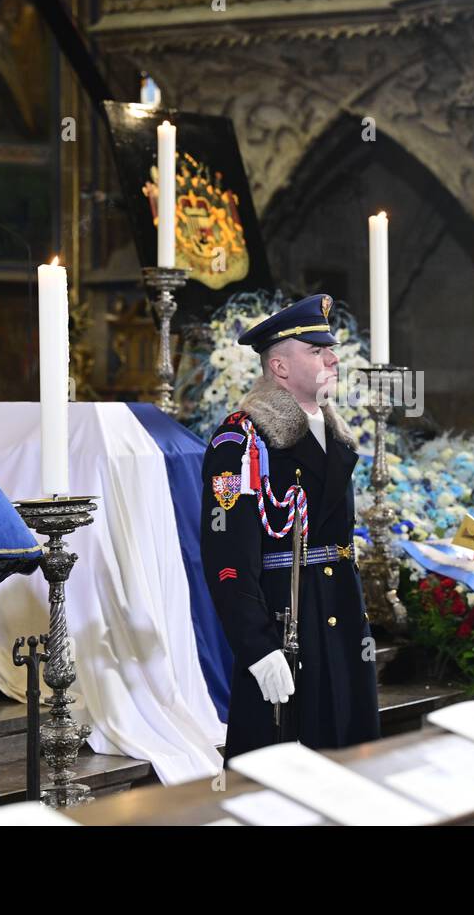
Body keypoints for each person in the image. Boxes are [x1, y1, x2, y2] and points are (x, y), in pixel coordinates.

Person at [199, 294, 380, 759]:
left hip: (340, 612)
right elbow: (227, 560)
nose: (333, 357)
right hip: (287, 620)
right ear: (279, 367)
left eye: (329, 348)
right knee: (282, 769)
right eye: (316, 351)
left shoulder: (335, 433)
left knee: (350, 757)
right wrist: (256, 646)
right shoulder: (243, 439)